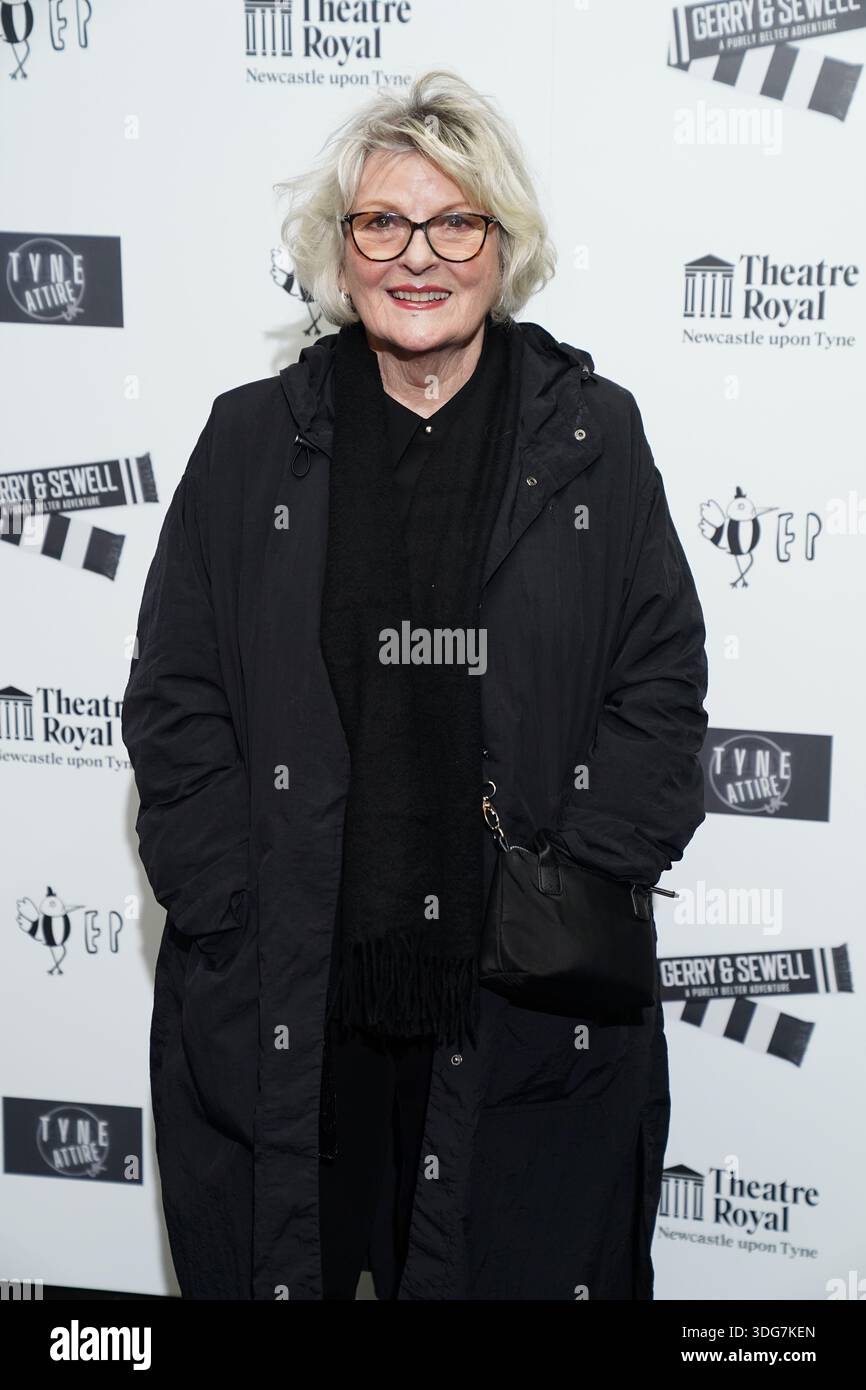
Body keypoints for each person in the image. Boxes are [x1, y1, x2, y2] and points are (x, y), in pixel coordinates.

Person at [121, 68, 709, 1302]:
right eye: (382, 223)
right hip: (296, 993)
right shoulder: (246, 441)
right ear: (338, 254)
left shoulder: (592, 439)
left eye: (456, 223)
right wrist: (232, 896)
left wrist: (578, 883)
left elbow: (658, 684)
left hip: (516, 996)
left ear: (505, 246)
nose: (417, 256)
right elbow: (176, 695)